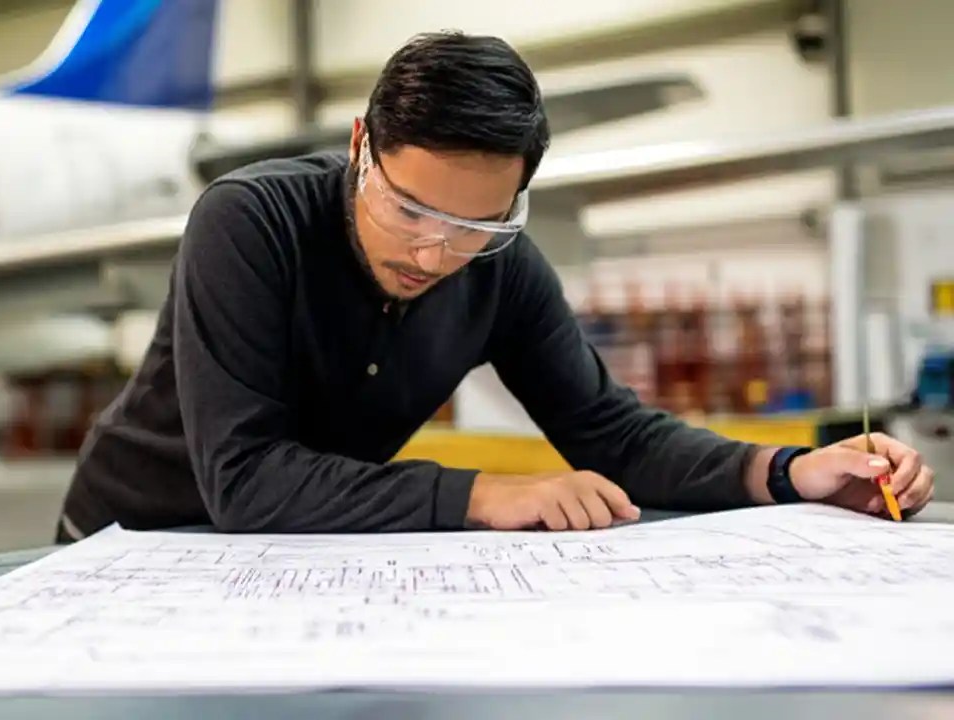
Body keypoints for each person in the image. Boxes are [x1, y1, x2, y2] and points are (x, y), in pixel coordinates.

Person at [55, 31, 934, 541]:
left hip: (295, 557)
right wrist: (481, 492)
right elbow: (244, 481)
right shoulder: (251, 223)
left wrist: (784, 472)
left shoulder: (500, 268)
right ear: (362, 145)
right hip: (129, 544)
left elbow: (609, 431)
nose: (434, 254)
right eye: (408, 210)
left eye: (475, 227)